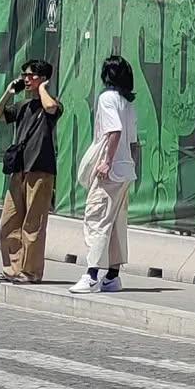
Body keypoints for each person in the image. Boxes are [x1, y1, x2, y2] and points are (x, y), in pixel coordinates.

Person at [72, 55, 140, 295]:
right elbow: (133, 140)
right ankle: (112, 276)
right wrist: (130, 166)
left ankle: (91, 275)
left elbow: (114, 131)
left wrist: (106, 163)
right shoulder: (127, 103)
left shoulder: (107, 98)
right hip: (125, 170)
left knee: (96, 218)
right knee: (116, 224)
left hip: (110, 171)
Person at [0, 59, 62, 285]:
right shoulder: (23, 106)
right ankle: (12, 268)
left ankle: (31, 271)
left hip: (41, 169)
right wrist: (9, 92)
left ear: (42, 78)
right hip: (19, 169)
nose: (26, 79)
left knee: (33, 222)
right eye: (24, 75)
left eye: (30, 75)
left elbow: (51, 108)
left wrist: (42, 88)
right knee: (9, 220)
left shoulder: (51, 105)